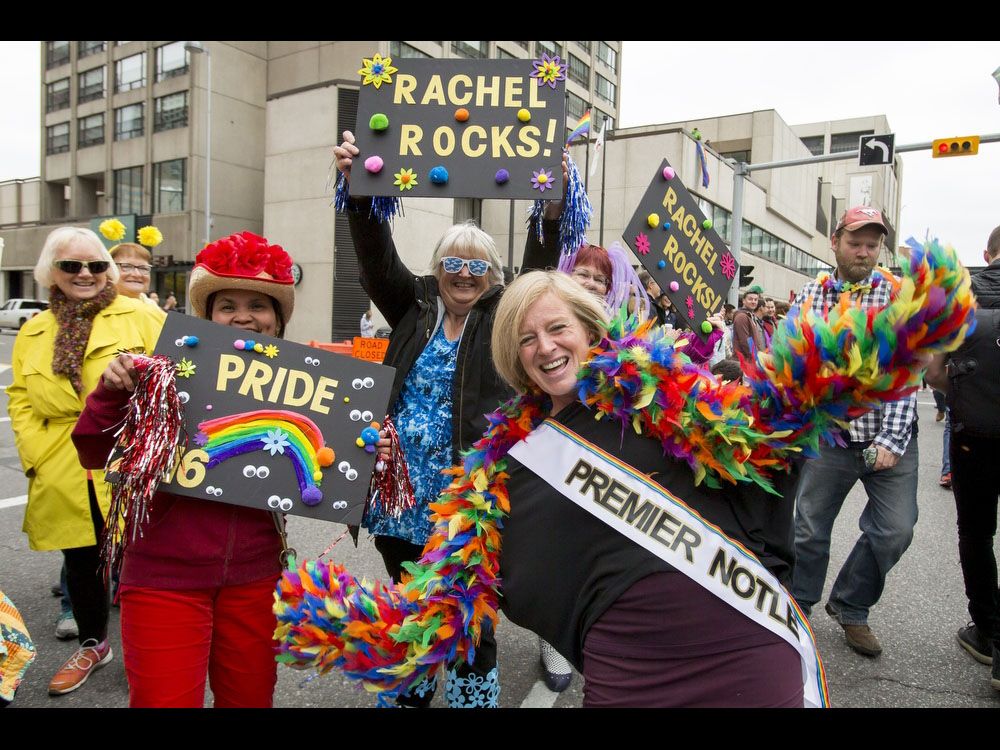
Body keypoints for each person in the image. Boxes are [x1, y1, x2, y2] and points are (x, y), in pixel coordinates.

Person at [275, 249, 971, 706]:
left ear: (589, 328)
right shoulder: (495, 469)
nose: (545, 347)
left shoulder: (663, 394)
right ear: (512, 358)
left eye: (557, 329)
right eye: (525, 339)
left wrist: (895, 337)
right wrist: (328, 620)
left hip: (741, 651)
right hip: (626, 678)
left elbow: (779, 413)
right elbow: (441, 610)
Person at [333, 130, 559, 707]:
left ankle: (470, 699)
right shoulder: (411, 305)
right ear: (437, 269)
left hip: (468, 497)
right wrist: (358, 190)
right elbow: (375, 256)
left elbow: (541, 264)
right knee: (411, 597)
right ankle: (410, 687)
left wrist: (553, 206)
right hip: (400, 492)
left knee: (469, 611)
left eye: (477, 265)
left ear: (494, 275)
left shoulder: (505, 315)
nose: (464, 273)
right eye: (453, 263)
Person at [71, 231, 296, 708]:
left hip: (256, 579)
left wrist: (372, 451)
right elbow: (93, 450)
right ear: (207, 317)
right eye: (227, 305)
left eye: (258, 305)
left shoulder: (304, 387)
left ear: (277, 321)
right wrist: (111, 394)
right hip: (163, 579)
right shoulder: (163, 371)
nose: (243, 317)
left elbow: (339, 478)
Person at [7, 227, 162, 696]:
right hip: (62, 463)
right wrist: (35, 456)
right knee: (81, 561)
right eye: (71, 265)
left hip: (127, 455)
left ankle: (149, 653)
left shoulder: (140, 315)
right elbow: (20, 399)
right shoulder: (34, 330)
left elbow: (183, 376)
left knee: (143, 559)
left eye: (95, 265)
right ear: (50, 271)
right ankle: (94, 645)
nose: (85, 274)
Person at [790, 206, 918, 658]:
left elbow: (907, 371)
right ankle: (798, 607)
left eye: (872, 244)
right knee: (809, 529)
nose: (864, 252)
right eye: (855, 243)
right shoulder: (810, 295)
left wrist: (890, 441)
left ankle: (850, 604)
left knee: (895, 530)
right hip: (830, 437)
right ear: (835, 242)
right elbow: (792, 362)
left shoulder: (899, 295)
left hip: (889, 437)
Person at [926, 223, 1000, 692]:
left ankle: (987, 631)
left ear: (988, 253)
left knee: (975, 531)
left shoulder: (964, 292)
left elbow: (934, 373)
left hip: (976, 434)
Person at [108, 241, 166, 319]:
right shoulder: (97, 308)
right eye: (127, 266)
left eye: (143, 268)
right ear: (109, 271)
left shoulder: (154, 309)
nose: (137, 274)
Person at [732, 285, 766, 365]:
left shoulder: (750, 316)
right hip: (743, 362)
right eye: (750, 299)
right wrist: (755, 359)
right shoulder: (742, 316)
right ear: (743, 301)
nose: (753, 302)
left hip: (749, 360)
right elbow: (745, 342)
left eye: (756, 299)